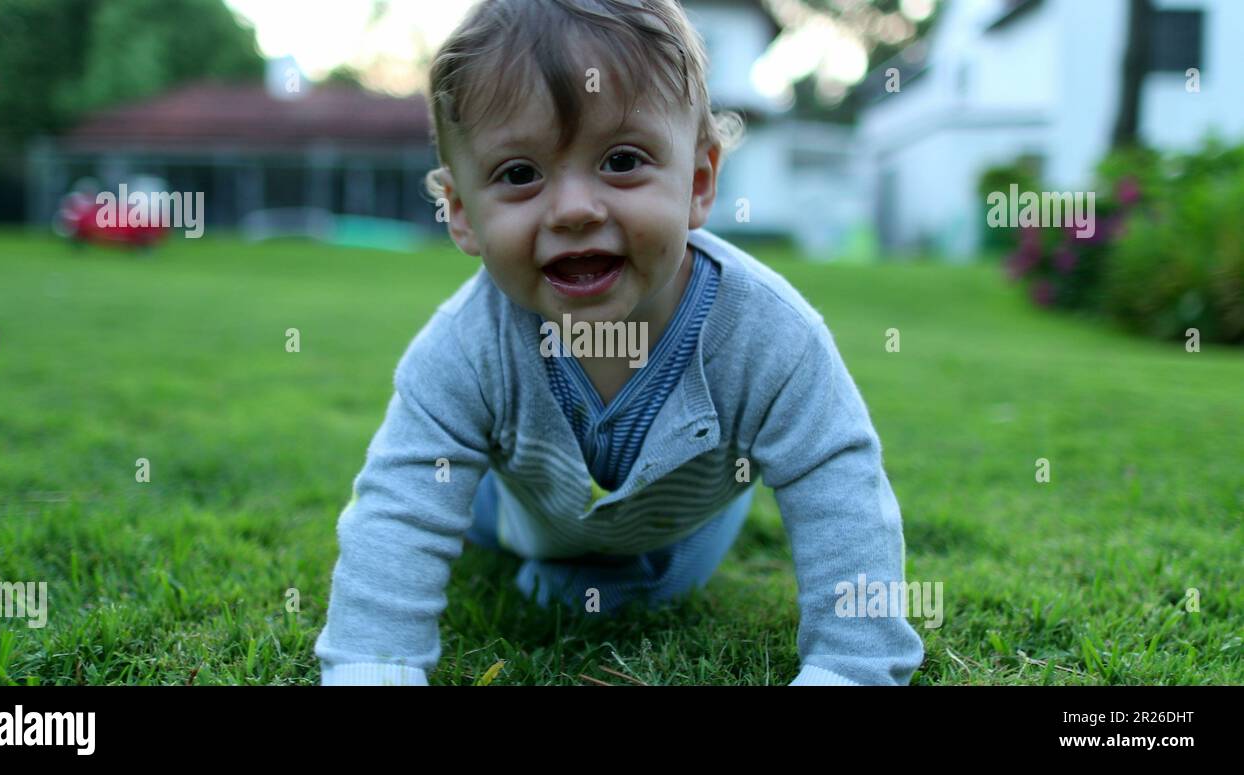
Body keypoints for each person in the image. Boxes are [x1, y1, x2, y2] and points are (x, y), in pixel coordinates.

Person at [315, 0, 924, 686]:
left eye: (623, 160)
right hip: (512, 501)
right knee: (467, 513)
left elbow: (837, 482)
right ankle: (548, 552)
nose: (575, 208)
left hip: (680, 523)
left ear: (697, 183)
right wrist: (373, 665)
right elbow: (399, 504)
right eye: (519, 173)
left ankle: (609, 569)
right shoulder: (463, 349)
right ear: (461, 215)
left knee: (637, 583)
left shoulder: (770, 336)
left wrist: (852, 666)